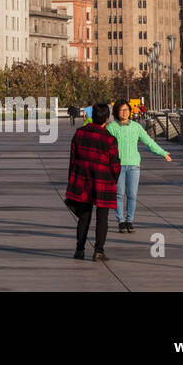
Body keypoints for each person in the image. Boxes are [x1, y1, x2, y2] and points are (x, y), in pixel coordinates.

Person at [65, 102, 121, 261]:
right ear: (107, 118)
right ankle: (99, 251)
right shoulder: (110, 139)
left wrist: (72, 179)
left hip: (83, 179)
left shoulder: (79, 133)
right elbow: (115, 164)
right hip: (103, 181)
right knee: (102, 217)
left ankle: (80, 249)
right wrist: (113, 180)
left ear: (91, 116)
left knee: (84, 216)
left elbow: (73, 159)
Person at [106, 99, 171, 233]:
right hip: (117, 166)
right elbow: (104, 145)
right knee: (119, 194)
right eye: (122, 110)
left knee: (132, 194)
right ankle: (121, 221)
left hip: (134, 165)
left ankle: (129, 220)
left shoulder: (136, 127)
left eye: (127, 110)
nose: (125, 112)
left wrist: (163, 153)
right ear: (116, 112)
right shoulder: (111, 128)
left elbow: (149, 142)